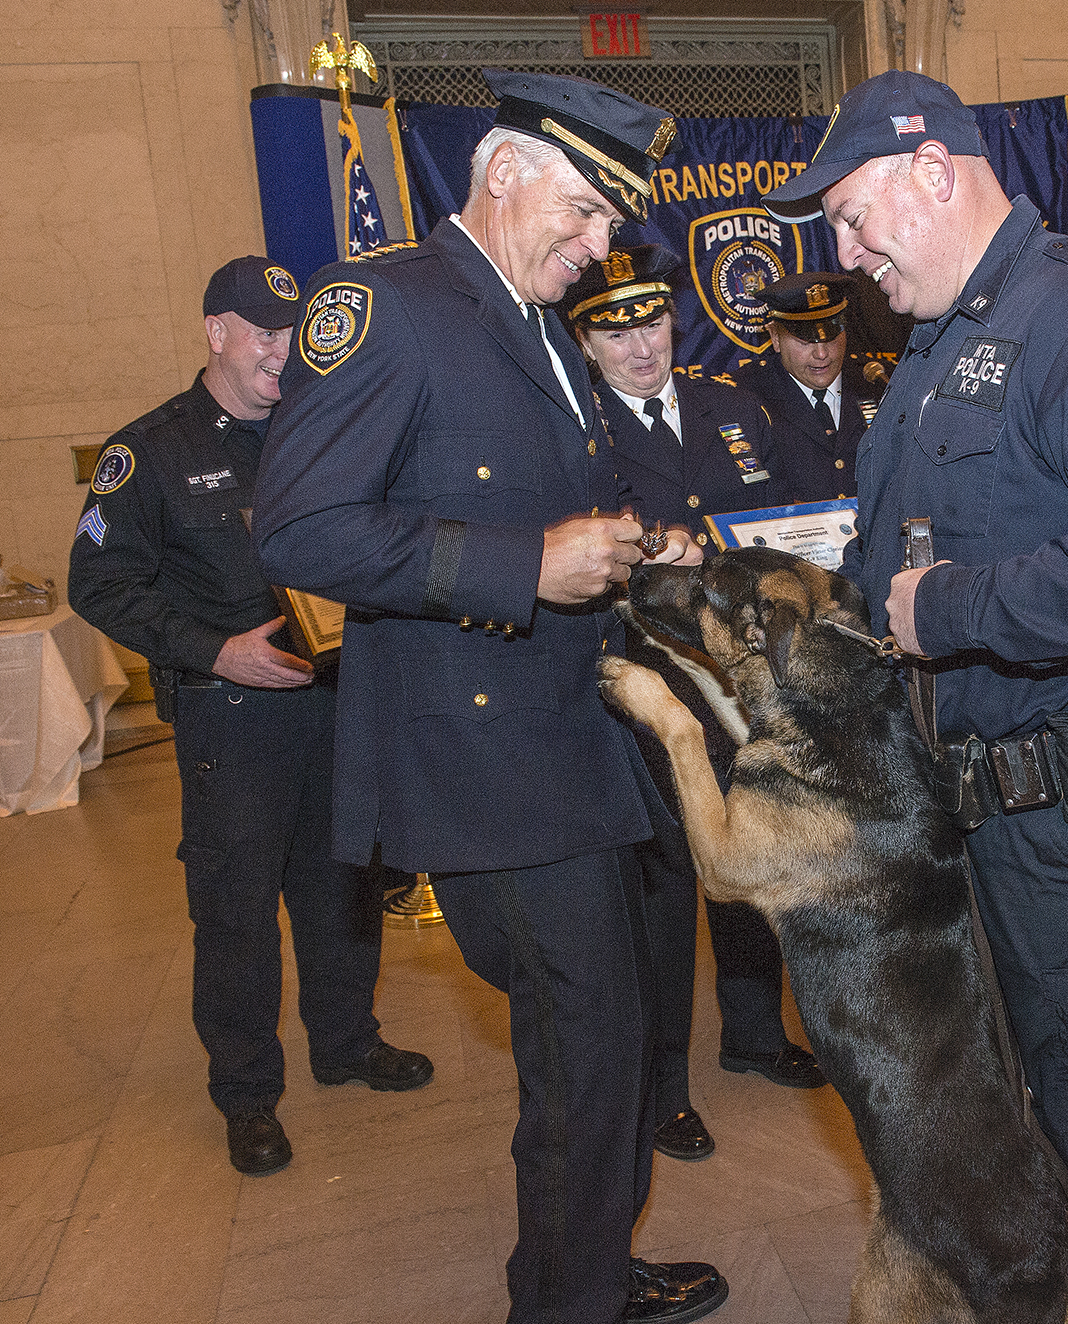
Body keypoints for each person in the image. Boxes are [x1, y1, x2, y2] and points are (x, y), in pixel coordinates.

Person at [762, 69, 1068, 1324]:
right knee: (1020, 1145)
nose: (854, 256)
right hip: (978, 824)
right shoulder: (939, 341)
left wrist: (953, 609)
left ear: (936, 169)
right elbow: (898, 556)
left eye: (862, 219)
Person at [251, 70, 727, 1324]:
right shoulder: (389, 305)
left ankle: (587, 1269)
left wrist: (625, 545)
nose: (592, 249)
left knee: (616, 1044)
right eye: (577, 216)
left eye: (606, 230)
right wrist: (526, 567)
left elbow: (518, 495)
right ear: (505, 174)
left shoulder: (527, 316)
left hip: (578, 741)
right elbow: (299, 530)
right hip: (483, 766)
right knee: (584, 1054)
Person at [68, 257, 433, 1178]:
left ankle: (346, 1043)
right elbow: (98, 583)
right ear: (216, 331)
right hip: (232, 720)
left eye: (292, 331)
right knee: (235, 910)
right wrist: (214, 648)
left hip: (338, 708)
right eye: (264, 332)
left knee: (345, 885)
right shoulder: (150, 450)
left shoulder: (322, 429)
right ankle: (246, 1094)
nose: (282, 351)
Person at [563, 245, 826, 1168]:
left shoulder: (726, 405)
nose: (640, 344)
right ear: (583, 337)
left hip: (748, 678)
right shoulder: (576, 422)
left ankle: (754, 1032)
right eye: (613, 326)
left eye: (652, 320)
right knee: (667, 886)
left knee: (753, 848)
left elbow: (778, 518)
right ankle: (663, 1084)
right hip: (649, 684)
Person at [736, 270, 880, 500]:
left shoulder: (876, 383)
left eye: (831, 338)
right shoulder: (746, 396)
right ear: (775, 337)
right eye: (806, 341)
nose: (822, 354)